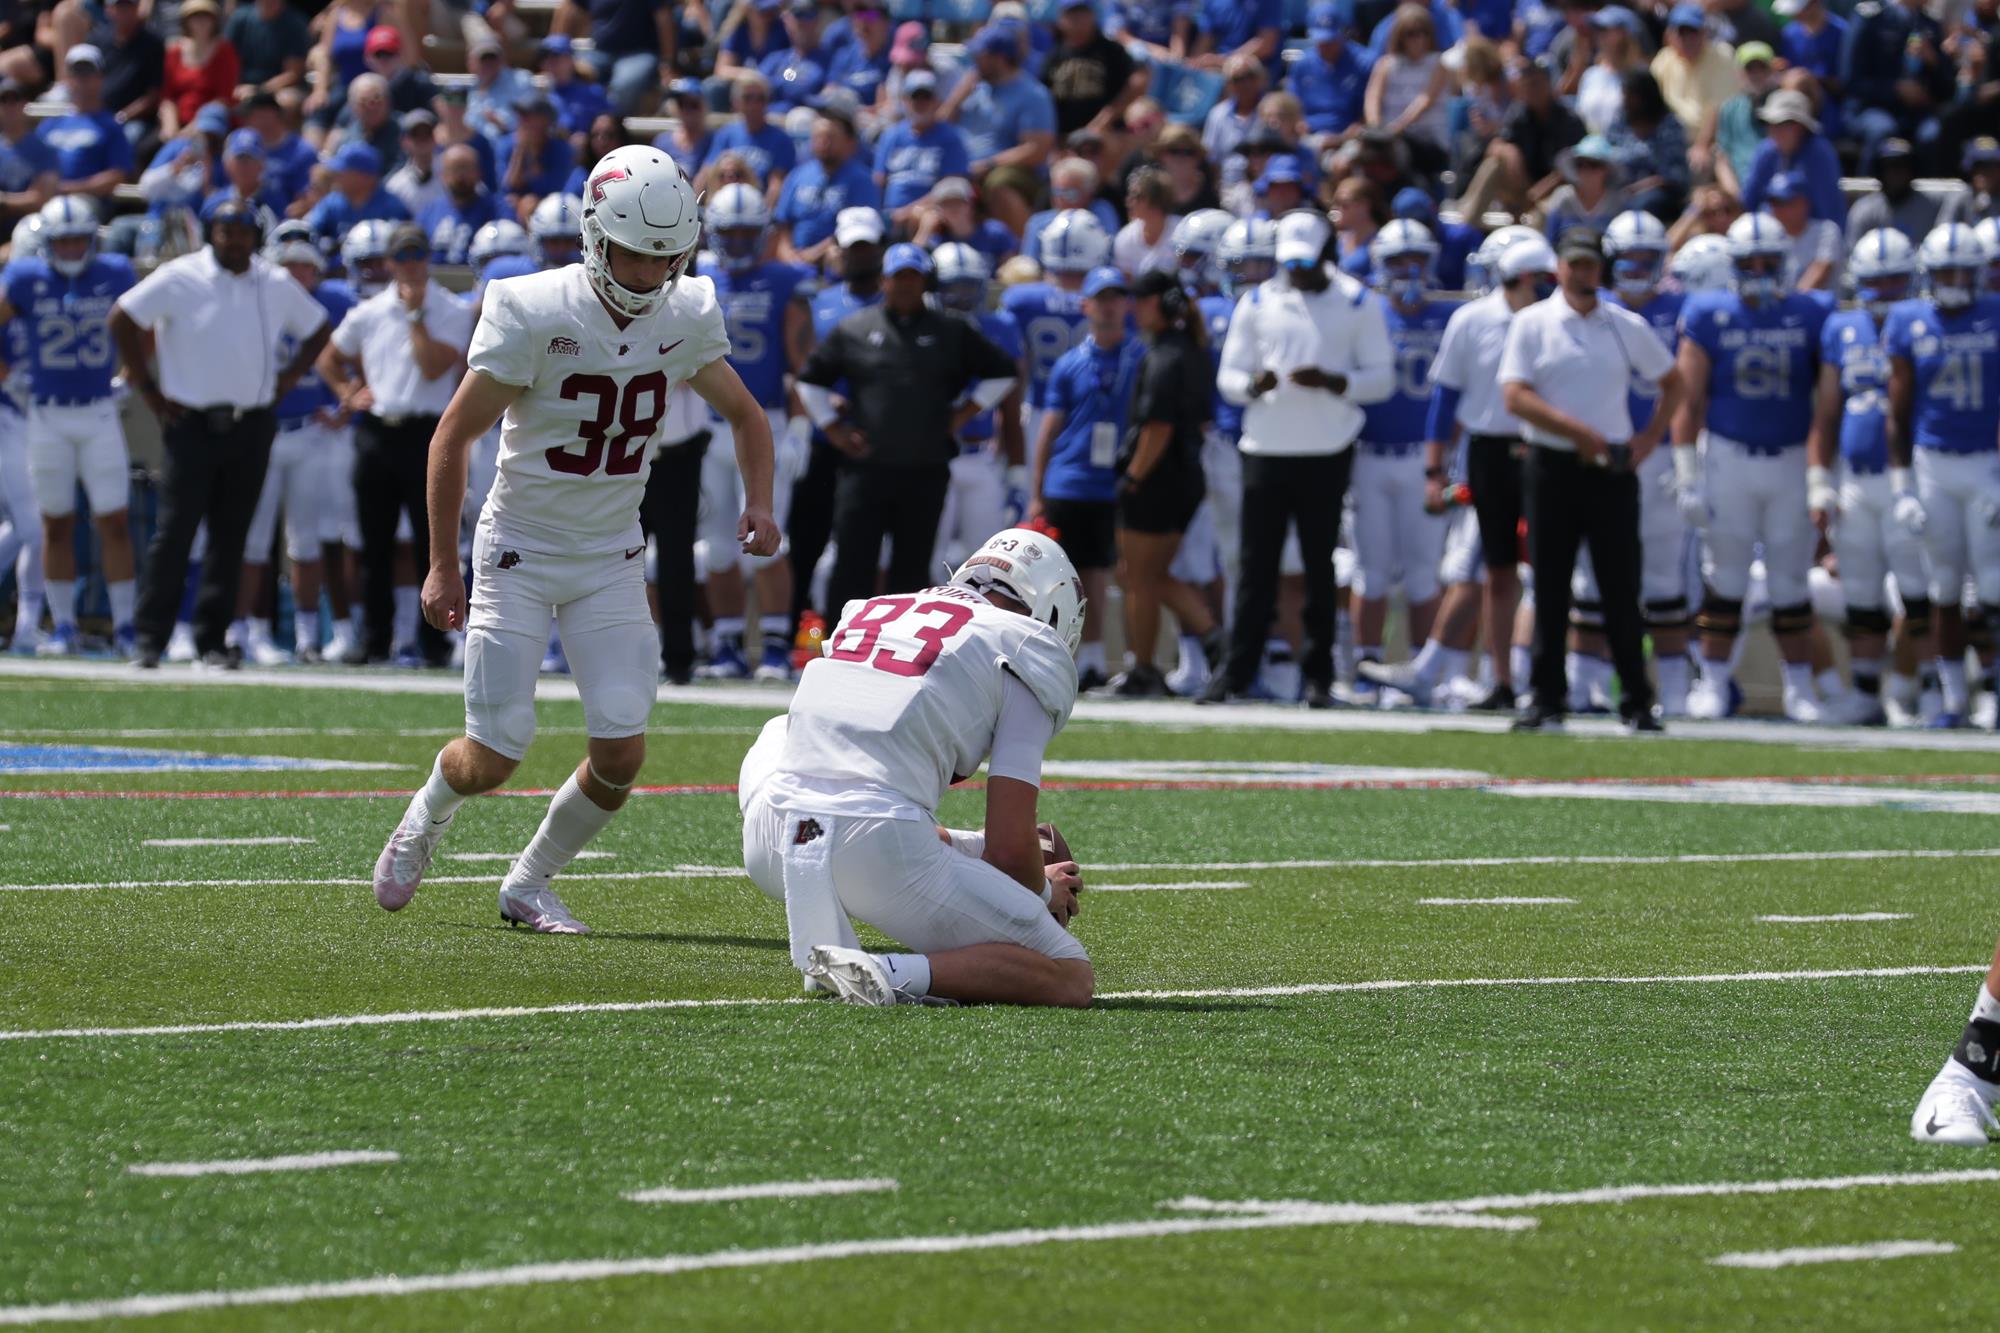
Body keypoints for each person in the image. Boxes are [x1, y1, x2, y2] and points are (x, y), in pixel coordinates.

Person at [375, 145, 778, 934]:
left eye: (665, 256)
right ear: (595, 236)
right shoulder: (533, 307)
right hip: (519, 549)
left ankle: (528, 883)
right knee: (495, 754)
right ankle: (427, 813)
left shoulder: (688, 310)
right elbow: (452, 437)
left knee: (623, 754)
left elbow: (747, 414)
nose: (650, 272)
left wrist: (759, 501)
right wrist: (441, 565)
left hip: (610, 555)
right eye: (635, 253)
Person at [739, 526, 1089, 1007]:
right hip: (874, 850)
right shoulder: (1027, 645)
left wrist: (972, 847)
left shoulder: (873, 608)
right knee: (1068, 974)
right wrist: (1044, 894)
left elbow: (848, 781)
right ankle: (883, 971)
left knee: (783, 731)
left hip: (771, 837)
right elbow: (1011, 850)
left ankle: (844, 937)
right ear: (1053, 609)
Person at [113, 199, 330, 669]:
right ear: (211, 232)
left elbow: (318, 328)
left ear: (256, 236)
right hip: (189, 422)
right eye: (226, 230)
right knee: (175, 532)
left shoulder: (273, 282)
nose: (234, 240)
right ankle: (150, 638)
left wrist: (288, 380)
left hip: (251, 423)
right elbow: (123, 319)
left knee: (231, 537)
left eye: (243, 231)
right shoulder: (180, 275)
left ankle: (212, 641)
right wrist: (149, 390)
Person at [1207, 209, 1391, 708]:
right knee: (1255, 567)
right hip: (1265, 449)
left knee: (1318, 567)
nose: (1297, 272)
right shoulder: (1257, 301)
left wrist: (1334, 381)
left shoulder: (1357, 301)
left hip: (1327, 450)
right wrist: (1254, 385)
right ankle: (1236, 673)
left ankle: (1318, 676)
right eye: (1289, 263)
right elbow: (1229, 377)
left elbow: (1381, 378)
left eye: (1305, 263)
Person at [1500, 228, 1683, 731]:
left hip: (1611, 469)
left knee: (1621, 585)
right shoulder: (1533, 323)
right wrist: (1577, 432)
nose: (1583, 274)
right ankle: (1546, 697)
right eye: (1574, 264)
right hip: (1551, 464)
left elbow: (1673, 381)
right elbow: (1515, 396)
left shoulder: (1624, 325)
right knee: (1549, 585)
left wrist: (1649, 439)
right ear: (1558, 268)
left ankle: (1637, 700)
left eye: (1590, 265)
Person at [1674, 211, 1830, 723]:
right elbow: (1687, 399)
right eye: (1750, 263)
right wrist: (1687, 474)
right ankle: (1713, 683)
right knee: (1725, 577)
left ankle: (1800, 688)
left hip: (1789, 458)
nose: (1760, 272)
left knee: (1790, 581)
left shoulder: (1811, 312)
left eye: (1768, 262)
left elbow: (1827, 400)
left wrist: (1820, 474)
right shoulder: (1709, 312)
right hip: (1728, 457)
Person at [315, 222, 475, 666]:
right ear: (389, 262)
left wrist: (416, 316)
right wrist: (347, 393)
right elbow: (329, 358)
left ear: (428, 259)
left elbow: (433, 367)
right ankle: (375, 639)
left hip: (426, 433)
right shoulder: (369, 311)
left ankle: (434, 643)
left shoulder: (450, 309)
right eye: (402, 257)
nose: (411, 265)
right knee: (374, 544)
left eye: (417, 255)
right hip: (377, 431)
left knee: (432, 543)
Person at [1404, 229, 1549, 710]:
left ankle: (1530, 675)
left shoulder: (1562, 320)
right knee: (1489, 567)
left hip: (1548, 449)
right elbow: (1445, 400)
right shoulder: (1472, 320)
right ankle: (1500, 677)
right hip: (1489, 451)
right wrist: (1435, 470)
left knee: (1547, 569)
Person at [0, 196, 136, 657]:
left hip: (99, 411)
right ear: (48, 243)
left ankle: (126, 627)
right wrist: (9, 377)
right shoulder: (26, 278)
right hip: (47, 415)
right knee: (55, 524)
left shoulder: (115, 272)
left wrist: (132, 376)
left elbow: (148, 324)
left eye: (80, 239)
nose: (74, 248)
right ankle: (62, 626)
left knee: (114, 521)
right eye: (64, 241)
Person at [1808, 228, 1928, 727]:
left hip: (1911, 477)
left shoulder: (1923, 321)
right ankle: (1864, 692)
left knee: (1918, 589)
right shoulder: (1842, 327)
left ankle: (1913, 689)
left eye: (1894, 280)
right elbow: (1827, 412)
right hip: (1855, 479)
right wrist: (1820, 478)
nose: (1883, 292)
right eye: (1875, 281)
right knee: (1860, 592)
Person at [1885, 222, 2000, 728]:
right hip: (1933, 463)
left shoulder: (1995, 314)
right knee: (1944, 586)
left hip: (1986, 461)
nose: (1953, 281)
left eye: (1962, 272)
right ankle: (1954, 698)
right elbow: (1898, 411)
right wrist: (1901, 487)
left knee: (1994, 585)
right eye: (1945, 272)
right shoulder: (1908, 319)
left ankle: (1993, 692)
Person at [699, 182, 814, 681]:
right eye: (731, 233)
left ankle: (774, 644)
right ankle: (726, 643)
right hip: (707, 425)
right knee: (717, 545)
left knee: (769, 541)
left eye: (749, 233)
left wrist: (801, 425)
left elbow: (802, 362)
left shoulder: (785, 281)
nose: (739, 242)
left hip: (767, 421)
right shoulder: (697, 278)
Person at [233, 220, 358, 665]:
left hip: (311, 432)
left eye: (305, 266)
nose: (297, 274)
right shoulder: (254, 298)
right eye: (288, 265)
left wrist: (343, 402)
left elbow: (365, 353)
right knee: (253, 540)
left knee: (307, 540)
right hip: (264, 432)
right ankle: (249, 632)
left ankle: (307, 637)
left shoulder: (336, 301)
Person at [1595, 209, 1697, 715]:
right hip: (1600, 452)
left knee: (1663, 576)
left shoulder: (1685, 309)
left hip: (1661, 453)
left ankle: (1674, 688)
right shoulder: (1591, 307)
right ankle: (1587, 682)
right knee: (1591, 576)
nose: (1637, 268)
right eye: (1628, 258)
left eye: (1647, 258)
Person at [1349, 219, 1457, 696]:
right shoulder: (1365, 312)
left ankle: (1418, 675)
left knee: (1422, 574)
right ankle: (1365, 673)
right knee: (1370, 573)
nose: (1409, 270)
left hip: (1422, 459)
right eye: (1398, 261)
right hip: (1370, 454)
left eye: (1417, 259)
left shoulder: (1449, 316)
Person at [1110, 268, 1217, 697]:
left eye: (1141, 301)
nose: (1133, 309)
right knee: (1148, 575)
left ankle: (1144, 668)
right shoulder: (1191, 349)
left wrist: (1133, 477)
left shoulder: (1165, 356)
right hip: (1183, 478)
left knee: (1138, 577)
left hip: (1157, 480)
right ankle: (1217, 642)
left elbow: (1158, 427)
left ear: (1160, 304)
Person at [1029, 264, 1135, 690]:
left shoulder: (1138, 358)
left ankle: (1098, 658)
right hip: (1069, 482)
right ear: (1085, 305)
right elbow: (1048, 430)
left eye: (1116, 298)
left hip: (1116, 484)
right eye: (1101, 299)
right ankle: (1061, 660)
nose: (1109, 307)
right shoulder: (1070, 363)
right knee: (1062, 580)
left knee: (1107, 574)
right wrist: (1036, 490)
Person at [930, 241, 1025, 577]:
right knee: (928, 560)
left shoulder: (998, 328)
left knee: (987, 568)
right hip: (932, 457)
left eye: (968, 287)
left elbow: (1011, 403)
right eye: (952, 288)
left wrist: (1017, 470)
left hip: (981, 455)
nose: (961, 298)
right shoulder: (923, 328)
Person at [950, 24, 1057, 236]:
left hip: (1008, 171)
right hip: (963, 168)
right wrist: (957, 97)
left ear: (999, 58)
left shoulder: (1033, 94)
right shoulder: (973, 89)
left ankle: (1024, 247)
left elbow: (1036, 150)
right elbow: (940, 124)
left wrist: (988, 165)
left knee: (999, 183)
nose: (973, 60)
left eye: (979, 55)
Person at [772, 105, 879, 267]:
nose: (823, 142)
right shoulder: (797, 175)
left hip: (837, 261)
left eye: (830, 137)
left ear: (849, 142)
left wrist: (813, 254)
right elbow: (782, 223)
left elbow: (861, 229)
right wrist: (788, 254)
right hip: (794, 260)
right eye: (818, 136)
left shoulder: (862, 180)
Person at [37, 46, 133, 202]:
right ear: (67, 79)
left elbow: (117, 175)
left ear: (100, 78)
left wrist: (70, 189)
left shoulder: (111, 126)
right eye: (76, 72)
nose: (82, 78)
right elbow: (32, 164)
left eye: (88, 71)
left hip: (87, 202)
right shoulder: (50, 124)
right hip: (47, 202)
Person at [159, 0, 238, 141]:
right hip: (179, 123)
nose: (201, 21)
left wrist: (192, 129)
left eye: (206, 16)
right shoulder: (174, 52)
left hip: (212, 125)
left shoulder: (225, 51)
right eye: (195, 16)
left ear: (214, 20)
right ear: (186, 21)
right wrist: (170, 127)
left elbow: (224, 98)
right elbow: (168, 97)